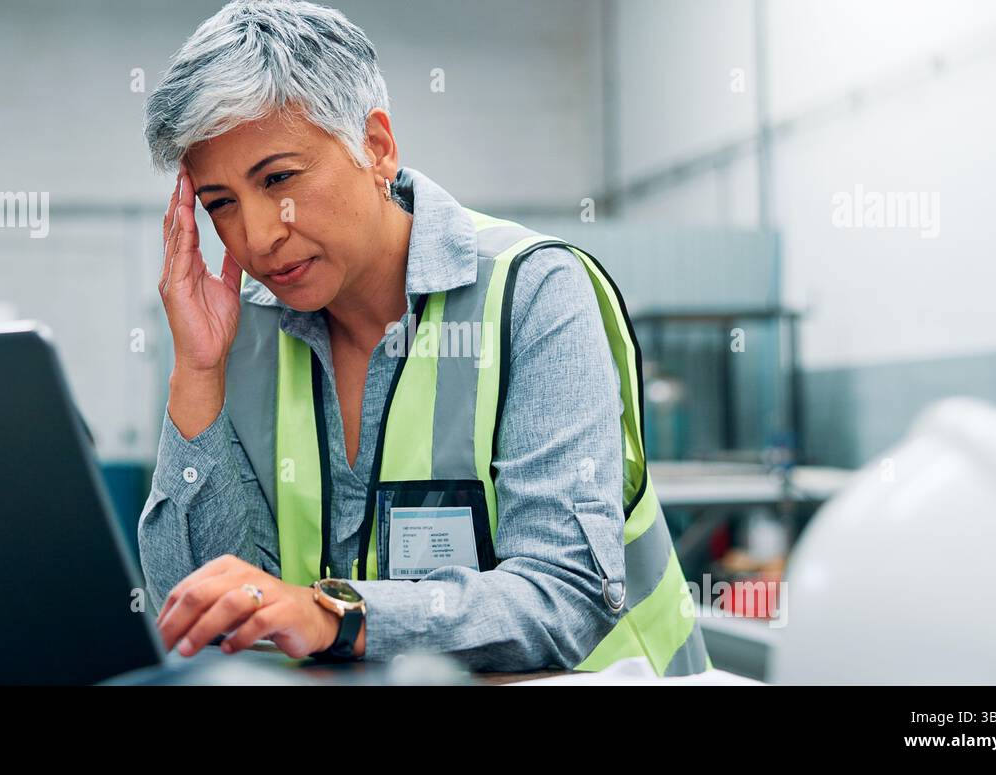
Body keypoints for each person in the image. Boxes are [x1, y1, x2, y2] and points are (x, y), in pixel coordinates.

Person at [138, 0, 707, 673]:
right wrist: (198, 372)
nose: (259, 235)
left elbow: (564, 594)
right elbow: (198, 615)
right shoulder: (243, 333)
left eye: (279, 179)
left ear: (376, 146)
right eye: (220, 204)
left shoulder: (533, 293)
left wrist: (334, 613)